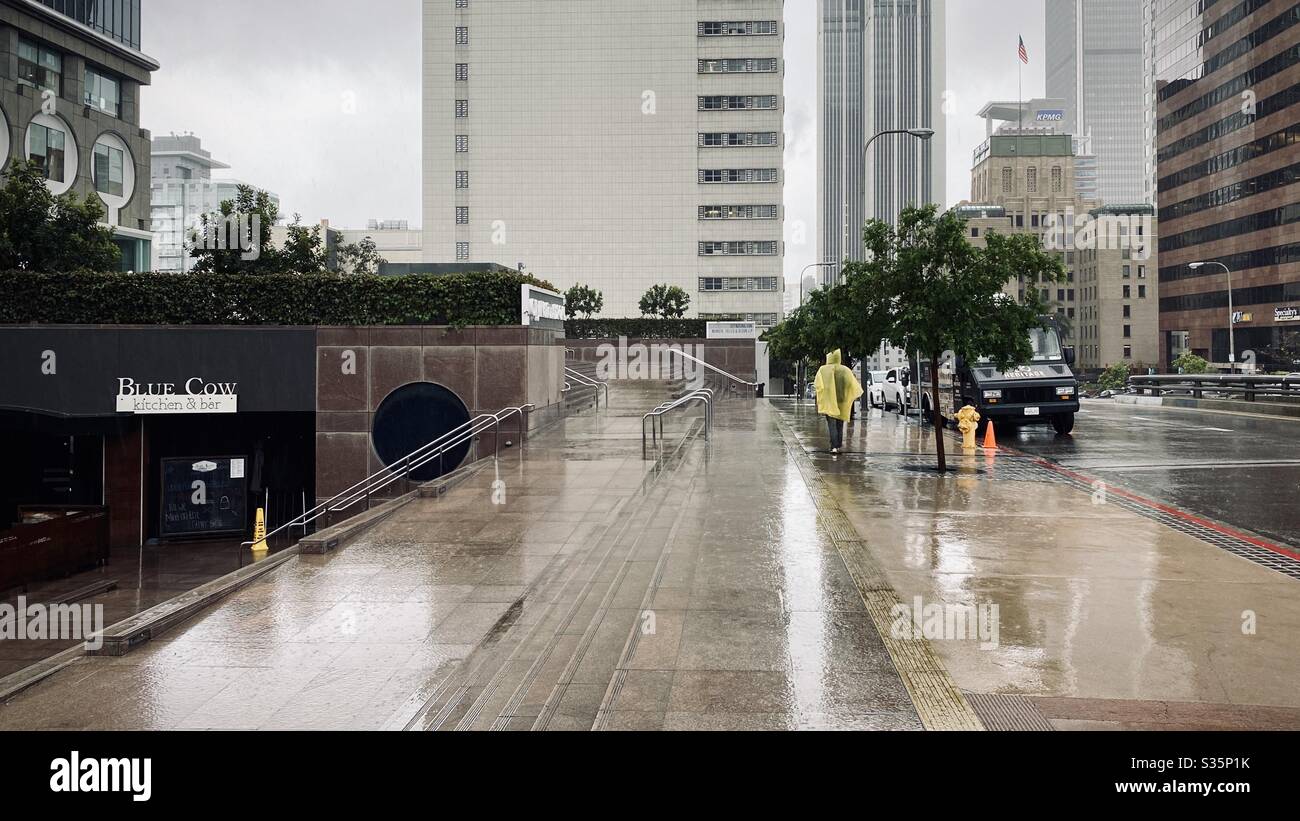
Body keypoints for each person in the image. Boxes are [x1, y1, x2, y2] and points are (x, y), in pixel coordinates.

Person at [814, 349, 863, 455]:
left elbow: (817, 384)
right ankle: (838, 445)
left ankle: (834, 446)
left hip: (829, 401)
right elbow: (852, 384)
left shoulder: (823, 370)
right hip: (842, 400)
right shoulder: (845, 370)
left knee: (831, 423)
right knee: (840, 423)